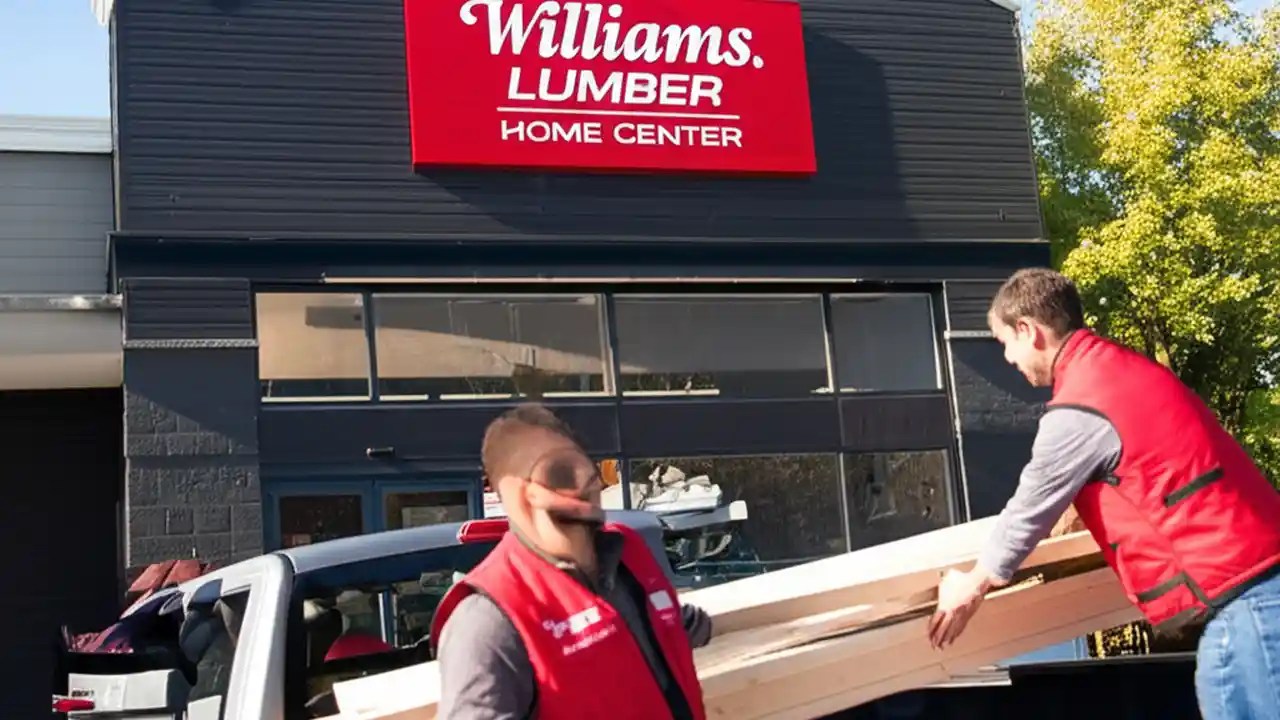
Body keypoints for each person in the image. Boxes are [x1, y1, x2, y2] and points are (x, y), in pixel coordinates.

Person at [926, 267, 1280, 720]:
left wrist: (971, 585)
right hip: (1255, 594)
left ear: (1027, 331)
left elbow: (1030, 506)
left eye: (1005, 345)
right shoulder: (1123, 370)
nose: (1009, 360)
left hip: (1244, 610)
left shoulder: (1081, 405)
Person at [431, 403, 712, 719]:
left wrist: (688, 622)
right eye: (559, 474)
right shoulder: (487, 622)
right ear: (522, 498)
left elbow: (656, 630)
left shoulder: (628, 558)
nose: (584, 485)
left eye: (582, 469)